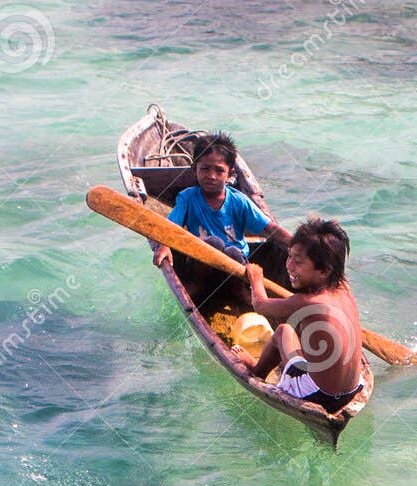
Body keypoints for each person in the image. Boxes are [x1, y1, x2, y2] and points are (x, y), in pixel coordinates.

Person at [232, 216, 364, 414]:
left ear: (325, 271)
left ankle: (257, 370)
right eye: (289, 256)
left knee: (282, 331)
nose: (289, 266)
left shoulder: (305, 301)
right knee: (304, 331)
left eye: (298, 261)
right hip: (353, 389)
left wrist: (256, 277)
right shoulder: (344, 287)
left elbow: (259, 305)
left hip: (317, 395)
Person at [152, 131, 291, 306]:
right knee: (213, 244)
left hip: (235, 268)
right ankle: (197, 286)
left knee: (233, 252)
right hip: (202, 264)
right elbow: (170, 226)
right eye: (205, 168)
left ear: (230, 173)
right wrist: (164, 245)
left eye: (219, 170)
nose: (211, 176)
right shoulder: (187, 198)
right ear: (195, 169)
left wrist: (295, 243)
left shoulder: (239, 201)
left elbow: (270, 228)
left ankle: (238, 292)